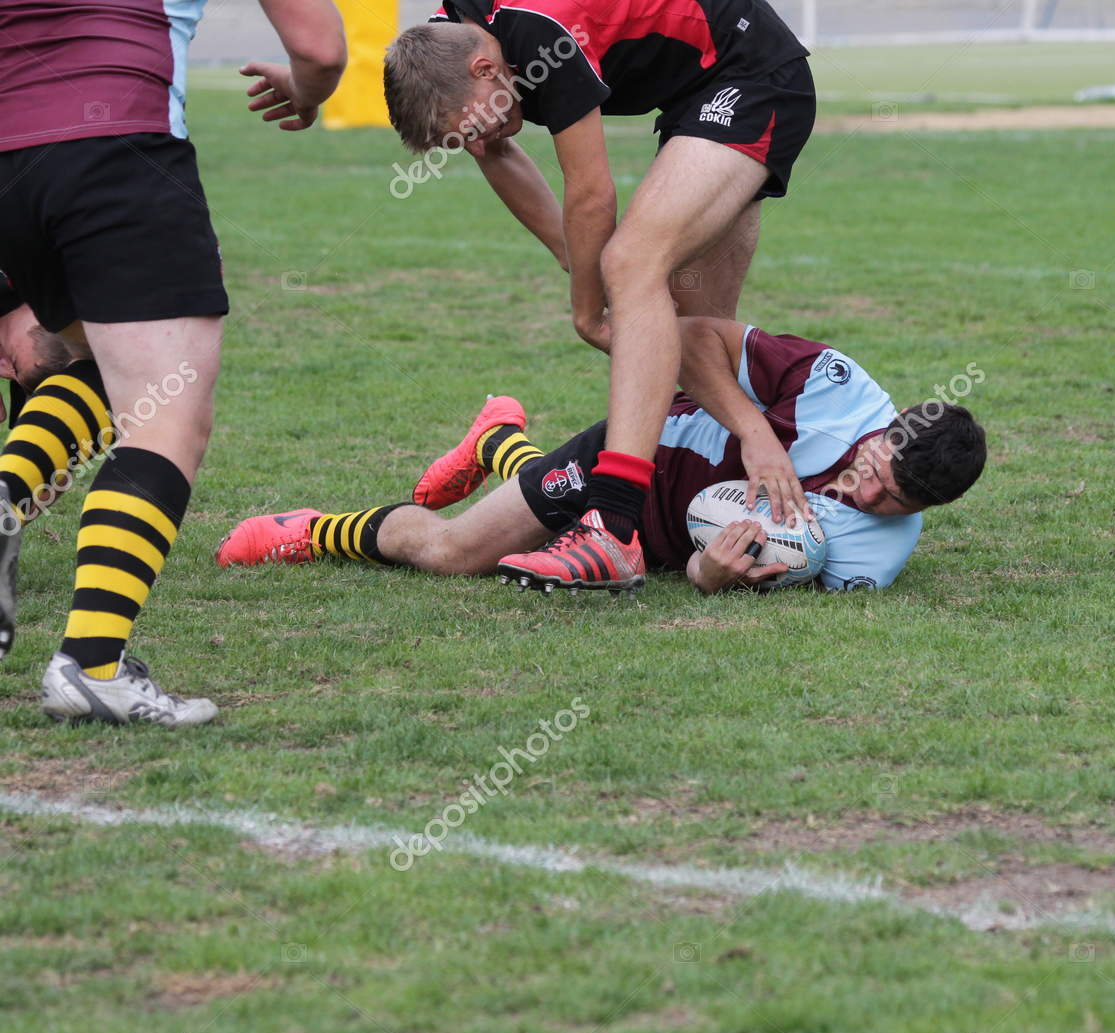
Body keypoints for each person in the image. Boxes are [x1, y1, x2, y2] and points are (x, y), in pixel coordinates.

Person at [382, 1, 816, 591]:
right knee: (693, 330)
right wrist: (576, 261)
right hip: (693, 95)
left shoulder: (536, 35)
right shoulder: (454, 41)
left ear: (486, 70)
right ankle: (723, 490)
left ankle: (614, 526)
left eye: (468, 122)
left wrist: (589, 308)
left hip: (753, 73)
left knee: (634, 264)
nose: (472, 138)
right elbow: (495, 150)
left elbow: (590, 194)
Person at [0, 0, 347, 725]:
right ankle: (92, 664)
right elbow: (320, 48)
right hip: (115, 143)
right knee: (167, 402)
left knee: (100, 360)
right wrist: (307, 95)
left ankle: (7, 496)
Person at [215, 319, 986, 595]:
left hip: (654, 543)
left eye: (892, 503)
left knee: (542, 535)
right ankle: (315, 530)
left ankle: (494, 441)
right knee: (455, 554)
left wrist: (707, 576)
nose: (864, 495)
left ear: (924, 513)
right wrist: (753, 431)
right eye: (873, 470)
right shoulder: (832, 387)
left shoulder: (869, 563)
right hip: (631, 457)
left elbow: (703, 576)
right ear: (887, 429)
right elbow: (688, 334)